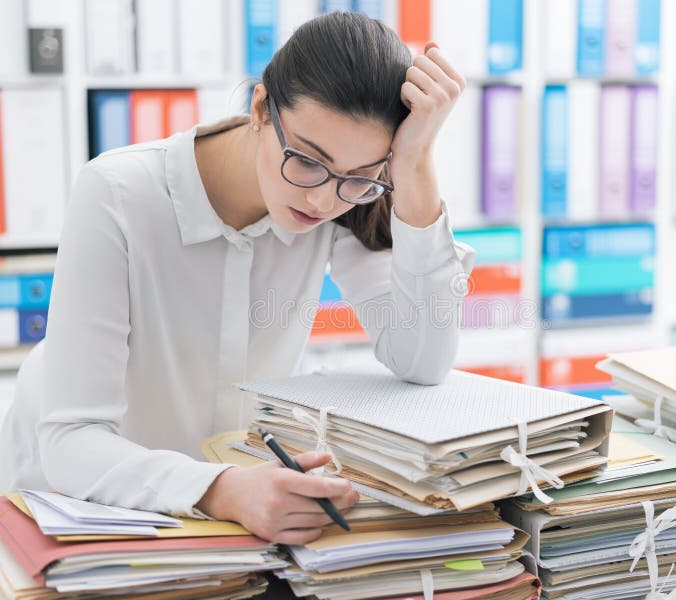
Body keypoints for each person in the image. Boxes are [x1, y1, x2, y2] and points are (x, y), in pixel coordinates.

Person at [0, 12, 474, 544]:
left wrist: (416, 166)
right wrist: (224, 489)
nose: (322, 199)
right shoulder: (117, 192)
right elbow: (71, 440)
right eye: (307, 161)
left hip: (232, 522)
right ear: (259, 108)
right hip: (82, 508)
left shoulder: (342, 199)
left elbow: (422, 359)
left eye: (361, 178)